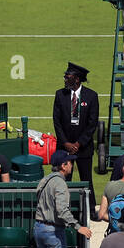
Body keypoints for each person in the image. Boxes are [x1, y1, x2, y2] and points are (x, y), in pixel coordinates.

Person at [52, 62, 100, 215]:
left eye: (68, 76)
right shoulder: (60, 95)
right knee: (64, 179)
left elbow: (92, 124)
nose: (65, 78)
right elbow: (56, 121)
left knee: (86, 179)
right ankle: (63, 208)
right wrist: (65, 142)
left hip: (83, 147)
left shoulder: (91, 96)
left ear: (77, 79)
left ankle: (90, 209)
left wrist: (79, 143)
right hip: (65, 146)